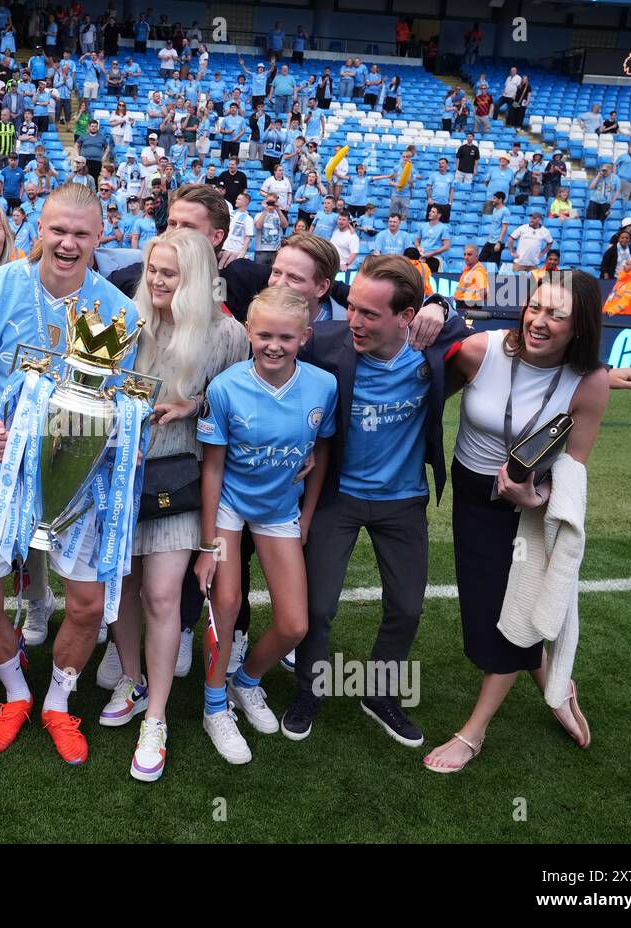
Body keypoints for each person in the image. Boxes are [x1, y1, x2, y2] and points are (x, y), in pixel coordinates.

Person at [0, 182, 139, 765]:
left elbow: (115, 401)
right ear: (39, 228)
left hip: (77, 473)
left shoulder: (119, 310)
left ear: (99, 236)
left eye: (81, 233)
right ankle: (16, 693)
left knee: (86, 603)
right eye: (58, 230)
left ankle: (59, 702)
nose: (67, 242)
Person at [424, 271, 609, 773]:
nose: (539, 321)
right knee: (484, 610)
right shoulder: (481, 351)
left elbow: (574, 470)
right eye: (536, 308)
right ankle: (557, 687)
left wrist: (534, 496)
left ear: (581, 327)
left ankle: (473, 733)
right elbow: (426, 377)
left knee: (508, 618)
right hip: (471, 500)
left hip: (527, 512)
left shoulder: (589, 383)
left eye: (557, 315)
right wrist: (437, 307)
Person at [281, 253, 467, 745]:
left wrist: (442, 304)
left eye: (369, 313)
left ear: (407, 317)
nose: (354, 321)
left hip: (403, 501)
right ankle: (310, 689)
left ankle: (380, 693)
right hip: (336, 497)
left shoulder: (436, 348)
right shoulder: (323, 343)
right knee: (317, 608)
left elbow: (500, 338)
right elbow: (267, 358)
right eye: (353, 307)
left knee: (406, 608)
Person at [102, 230, 248, 780]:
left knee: (164, 593)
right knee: (125, 587)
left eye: (171, 274)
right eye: (153, 270)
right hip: (117, 477)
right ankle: (133, 679)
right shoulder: (126, 320)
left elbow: (240, 399)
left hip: (180, 478)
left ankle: (156, 718)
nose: (157, 282)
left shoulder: (227, 333)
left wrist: (195, 403)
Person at [194, 285, 337, 764]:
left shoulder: (323, 386)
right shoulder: (226, 387)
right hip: (231, 505)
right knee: (228, 600)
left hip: (281, 510)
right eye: (264, 335)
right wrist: (209, 541)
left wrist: (307, 514)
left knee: (295, 623)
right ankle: (214, 704)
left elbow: (321, 451)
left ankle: (246, 682)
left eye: (287, 337)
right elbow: (212, 468)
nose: (274, 345)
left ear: (305, 336)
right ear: (248, 334)